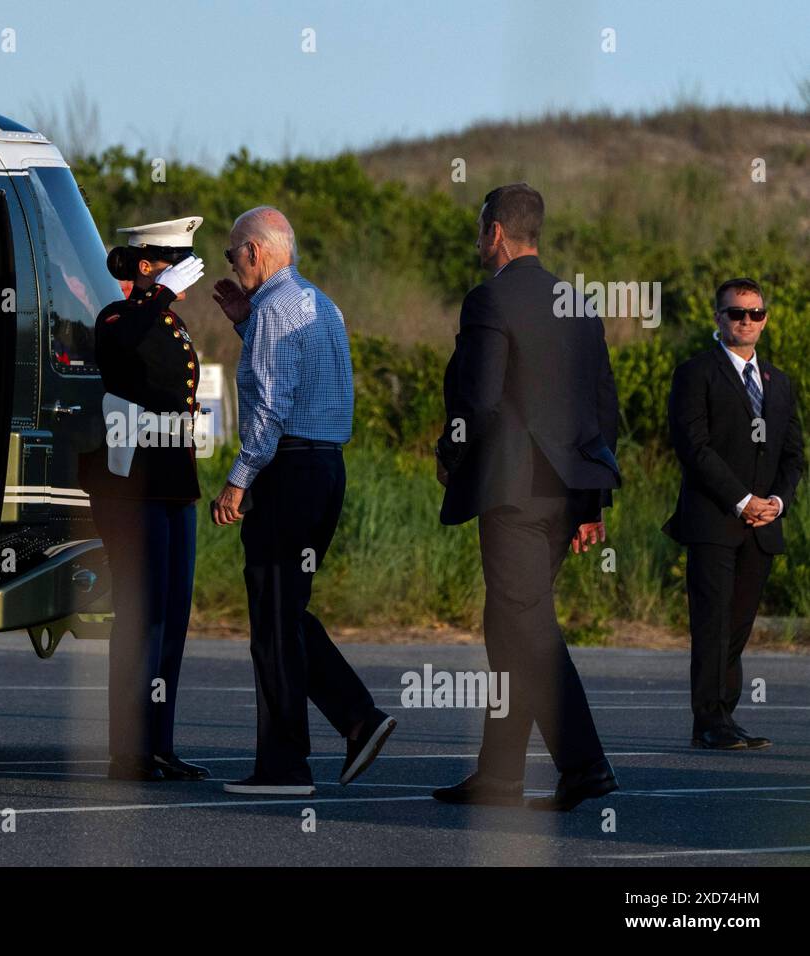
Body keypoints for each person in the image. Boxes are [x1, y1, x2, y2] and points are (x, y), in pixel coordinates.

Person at [432, 183, 621, 812]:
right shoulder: (580, 302)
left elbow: (478, 401)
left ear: (496, 233)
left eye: (480, 229)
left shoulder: (488, 300)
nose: (477, 240)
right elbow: (602, 409)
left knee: (528, 630)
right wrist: (591, 506)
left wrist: (450, 457)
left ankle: (586, 766)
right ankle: (500, 777)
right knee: (509, 631)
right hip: (566, 495)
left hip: (513, 495)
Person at [210, 206, 396, 796]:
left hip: (287, 469)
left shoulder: (273, 309)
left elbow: (270, 407)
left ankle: (285, 766)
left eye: (233, 252)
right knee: (285, 610)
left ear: (257, 252)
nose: (230, 263)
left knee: (271, 617)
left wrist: (239, 480)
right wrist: (245, 323)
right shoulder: (319, 302)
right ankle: (358, 718)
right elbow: (307, 382)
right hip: (324, 468)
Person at [79, 217, 210, 782]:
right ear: (143, 265)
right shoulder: (119, 317)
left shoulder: (168, 322)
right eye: (167, 264)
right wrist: (154, 294)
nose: (178, 276)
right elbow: (125, 340)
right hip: (134, 482)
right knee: (141, 613)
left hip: (174, 478)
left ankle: (158, 743)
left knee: (172, 614)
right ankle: (127, 750)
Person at [664, 278, 804, 750]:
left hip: (762, 527)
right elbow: (694, 447)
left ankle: (725, 715)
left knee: (738, 625)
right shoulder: (695, 373)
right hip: (713, 521)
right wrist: (742, 500)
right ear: (717, 318)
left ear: (765, 320)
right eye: (735, 313)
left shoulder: (779, 383)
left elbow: (793, 455)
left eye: (755, 313)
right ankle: (708, 721)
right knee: (712, 624)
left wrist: (776, 503)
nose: (746, 320)